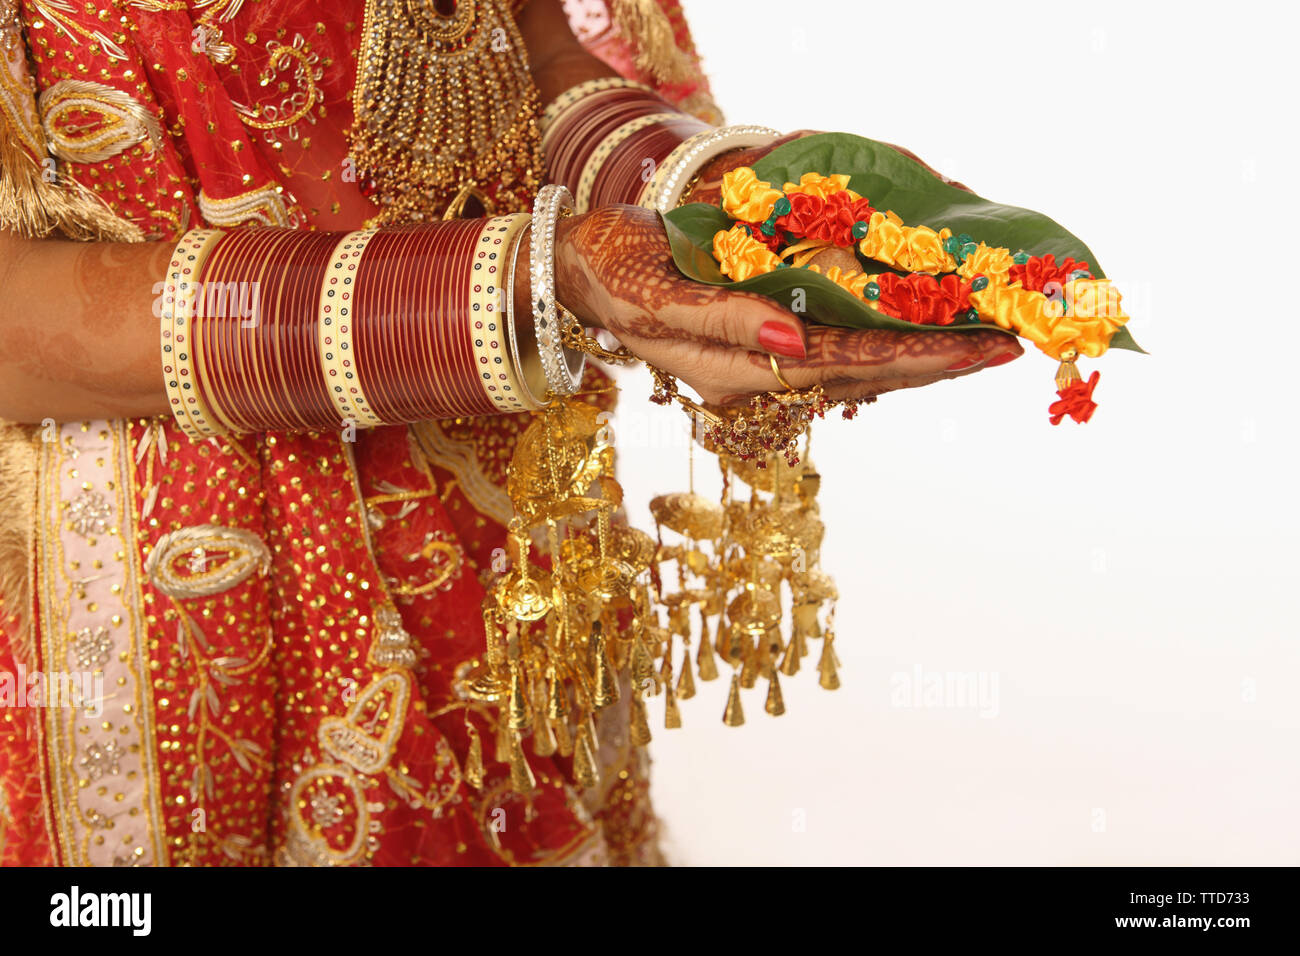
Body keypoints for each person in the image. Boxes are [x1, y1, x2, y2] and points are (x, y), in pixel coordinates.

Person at [0, 0, 1020, 866]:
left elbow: (515, 53)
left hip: (495, 563)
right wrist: (531, 282)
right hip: (143, 587)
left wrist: (700, 206)